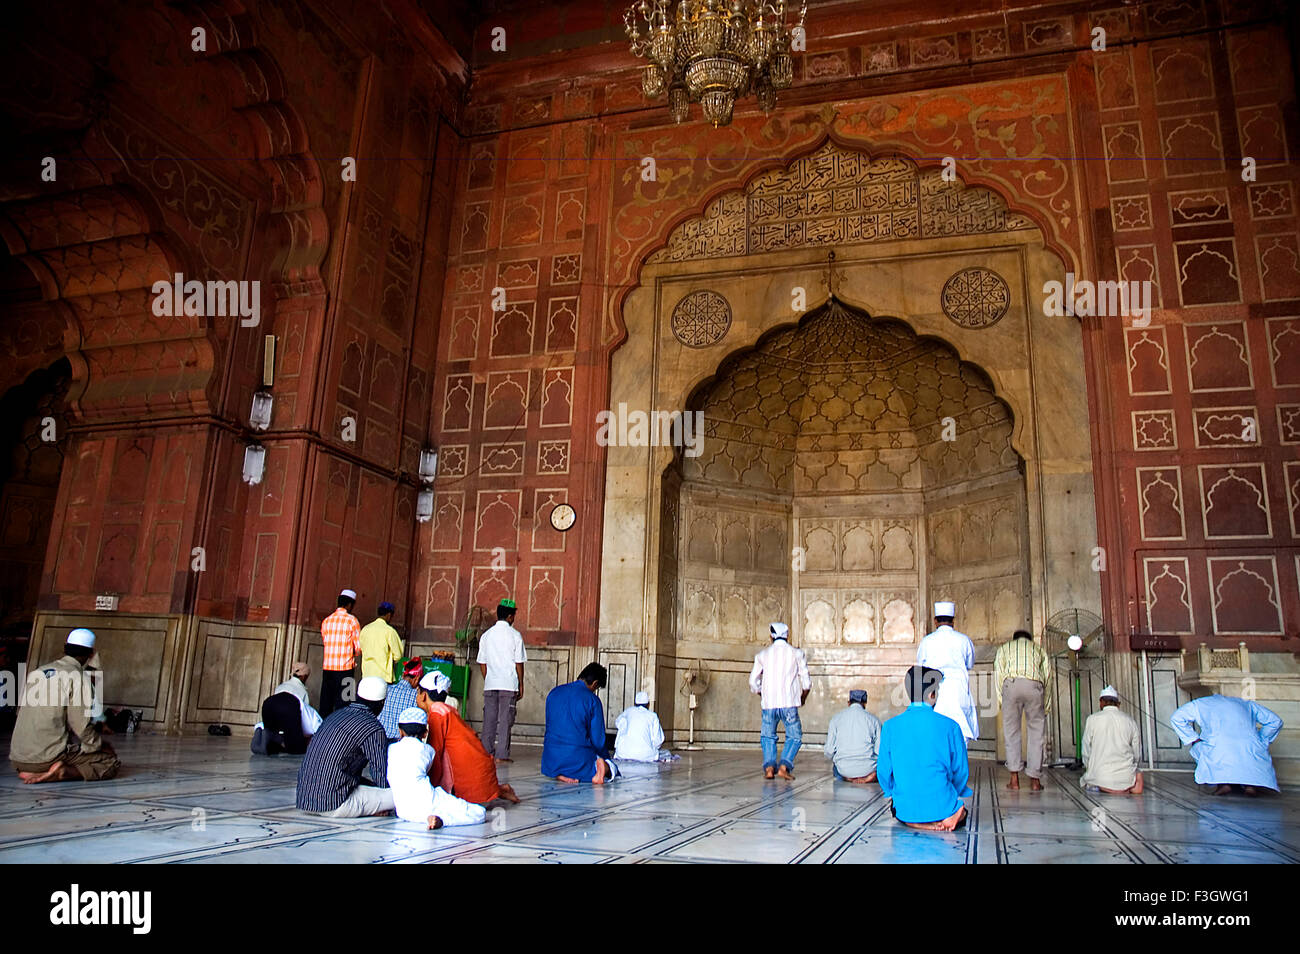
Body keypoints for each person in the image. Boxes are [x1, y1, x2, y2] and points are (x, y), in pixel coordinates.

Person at [11, 628, 121, 784]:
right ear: (91, 654)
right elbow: (80, 725)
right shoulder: (78, 677)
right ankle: (62, 772)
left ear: (65, 648)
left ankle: (33, 770)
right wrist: (98, 745)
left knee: (63, 746)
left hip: (18, 759)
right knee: (110, 762)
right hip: (46, 757)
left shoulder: (38, 672)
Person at [877, 666, 972, 831]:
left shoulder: (890, 727)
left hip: (905, 808)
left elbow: (884, 772)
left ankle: (914, 821)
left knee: (900, 808)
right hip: (942, 805)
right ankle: (948, 815)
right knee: (962, 811)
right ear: (932, 694)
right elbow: (961, 772)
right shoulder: (951, 726)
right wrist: (950, 794)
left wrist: (895, 791)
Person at [296, 675, 394, 817]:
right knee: (397, 795)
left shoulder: (336, 714)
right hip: (333, 805)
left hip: (305, 801)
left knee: (366, 787)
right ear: (381, 703)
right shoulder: (373, 727)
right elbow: (381, 775)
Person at [416, 671, 520, 804]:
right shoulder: (447, 709)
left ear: (424, 695)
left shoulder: (437, 714)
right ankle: (498, 790)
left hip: (472, 784)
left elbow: (435, 754)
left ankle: (497, 791)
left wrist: (430, 788)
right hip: (482, 775)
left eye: (418, 692)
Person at [386, 706, 487, 830]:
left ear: (400, 731)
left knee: (430, 807)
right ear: (425, 733)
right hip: (427, 800)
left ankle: (431, 818)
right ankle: (441, 820)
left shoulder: (391, 749)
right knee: (479, 812)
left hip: (403, 810)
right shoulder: (427, 750)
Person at [1170, 693, 1284, 796]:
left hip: (1217, 746)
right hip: (1250, 746)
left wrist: (1193, 739)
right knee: (1250, 755)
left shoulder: (1200, 703)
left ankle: (1223, 784)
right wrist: (1262, 739)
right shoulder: (1246, 704)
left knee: (1199, 748)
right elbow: (1275, 721)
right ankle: (1251, 787)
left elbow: (1176, 718)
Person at [748, 621, 811, 780]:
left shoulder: (762, 655)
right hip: (789, 704)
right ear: (787, 635)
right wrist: (802, 697)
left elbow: (753, 681)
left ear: (771, 636)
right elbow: (806, 681)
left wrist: (762, 693)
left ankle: (769, 769)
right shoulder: (797, 653)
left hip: (769, 705)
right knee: (794, 736)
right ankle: (784, 767)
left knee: (768, 736)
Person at [542, 662, 620, 784]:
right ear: (595, 684)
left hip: (551, 761)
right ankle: (601, 769)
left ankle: (560, 774)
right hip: (578, 760)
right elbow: (598, 740)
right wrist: (604, 758)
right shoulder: (592, 700)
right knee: (611, 768)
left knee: (562, 760)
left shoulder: (554, 692)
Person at [994, 628, 1051, 791]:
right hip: (1034, 685)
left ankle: (1014, 780)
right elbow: (1047, 676)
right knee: (1036, 733)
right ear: (1029, 640)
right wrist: (1046, 704)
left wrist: (1001, 700)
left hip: (1011, 685)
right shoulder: (1038, 649)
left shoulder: (1005, 648)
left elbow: (999, 673)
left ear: (1014, 639)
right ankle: (1035, 781)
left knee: (1011, 732)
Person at [916, 601, 979, 741]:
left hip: (934, 691)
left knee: (936, 735)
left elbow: (920, 667)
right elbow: (970, 663)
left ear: (935, 621)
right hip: (958, 690)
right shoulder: (964, 640)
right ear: (953, 621)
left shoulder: (927, 641)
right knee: (960, 733)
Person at [477, 598, 526, 762]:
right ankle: (502, 755)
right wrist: (521, 683)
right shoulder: (515, 635)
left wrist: (489, 678)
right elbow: (518, 663)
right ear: (510, 616)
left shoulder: (486, 636)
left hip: (491, 684)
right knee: (505, 720)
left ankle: (486, 752)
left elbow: (482, 663)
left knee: (489, 719)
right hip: (508, 684)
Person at [1080, 685, 1143, 795]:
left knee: (1090, 778)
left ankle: (1099, 785)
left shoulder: (1092, 719)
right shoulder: (1130, 720)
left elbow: (1085, 750)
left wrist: (1089, 768)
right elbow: (1136, 753)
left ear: (1101, 702)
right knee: (1138, 774)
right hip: (1125, 779)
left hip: (1099, 777)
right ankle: (1128, 786)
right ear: (1118, 704)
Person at [251, 662, 322, 755]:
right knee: (297, 749)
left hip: (268, 703)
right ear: (304, 677)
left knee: (273, 733)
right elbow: (319, 737)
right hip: (289, 706)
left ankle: (266, 736)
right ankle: (271, 740)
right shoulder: (318, 722)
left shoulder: (281, 686)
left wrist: (259, 726)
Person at [319, 588, 361, 718]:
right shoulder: (352, 621)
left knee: (326, 703)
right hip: (346, 670)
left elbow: (325, 641)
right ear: (350, 604)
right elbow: (358, 648)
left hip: (328, 670)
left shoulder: (326, 621)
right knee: (345, 705)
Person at [824, 689, 881, 783]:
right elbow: (879, 751)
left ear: (848, 702)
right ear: (865, 703)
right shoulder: (874, 720)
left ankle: (847, 778)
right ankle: (869, 777)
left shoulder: (836, 718)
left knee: (836, 768)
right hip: (868, 769)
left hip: (844, 769)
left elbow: (829, 751)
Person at [377, 658, 424, 741]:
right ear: (417, 678)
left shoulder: (387, 689)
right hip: (400, 741)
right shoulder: (416, 695)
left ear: (403, 675)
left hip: (380, 738)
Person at [614, 691, 666, 762]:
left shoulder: (628, 711)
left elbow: (618, 723)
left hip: (623, 753)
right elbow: (658, 740)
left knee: (623, 723)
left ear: (635, 704)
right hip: (645, 755)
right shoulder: (652, 715)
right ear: (648, 704)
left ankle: (623, 748)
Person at [359, 601, 404, 683]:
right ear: (389, 615)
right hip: (382, 677)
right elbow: (398, 655)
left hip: (366, 674)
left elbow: (360, 648)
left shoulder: (365, 629)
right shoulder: (389, 631)